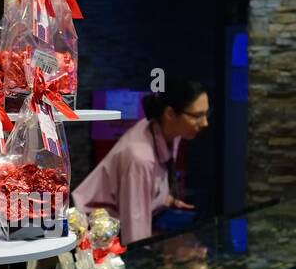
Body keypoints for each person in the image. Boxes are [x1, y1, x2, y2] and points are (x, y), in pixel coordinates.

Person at [72, 78, 210, 244]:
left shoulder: (167, 131)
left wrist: (167, 200)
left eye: (206, 114)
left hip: (136, 217)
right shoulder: (139, 157)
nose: (205, 123)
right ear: (170, 114)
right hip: (96, 232)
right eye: (197, 116)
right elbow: (135, 236)